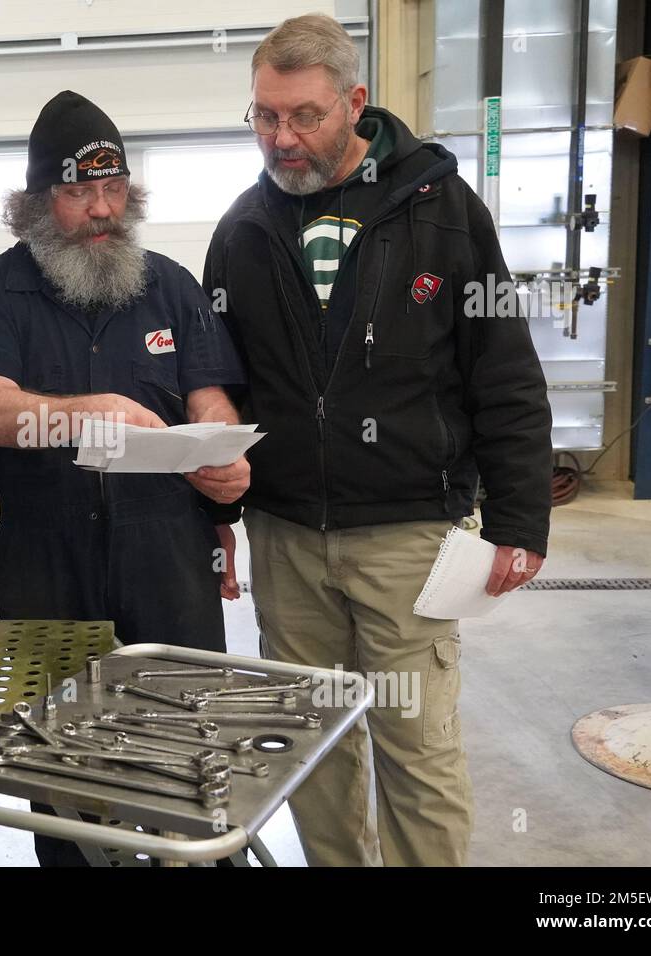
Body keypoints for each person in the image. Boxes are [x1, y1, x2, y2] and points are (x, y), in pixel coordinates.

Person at [204, 14, 553, 866]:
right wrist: (216, 514)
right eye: (263, 116)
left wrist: (521, 518)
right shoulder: (243, 231)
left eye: (305, 117)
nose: (281, 139)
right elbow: (219, 393)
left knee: (417, 750)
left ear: (356, 104)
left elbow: (504, 370)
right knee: (312, 750)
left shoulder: (443, 215)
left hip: (408, 537)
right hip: (285, 537)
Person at [0, 91, 249, 865]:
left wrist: (221, 455)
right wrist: (93, 410)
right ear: (39, 204)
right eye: (80, 193)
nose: (101, 210)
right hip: (48, 563)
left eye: (114, 191)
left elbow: (206, 391)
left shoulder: (171, 287)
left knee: (191, 757)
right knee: (63, 771)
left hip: (168, 559)